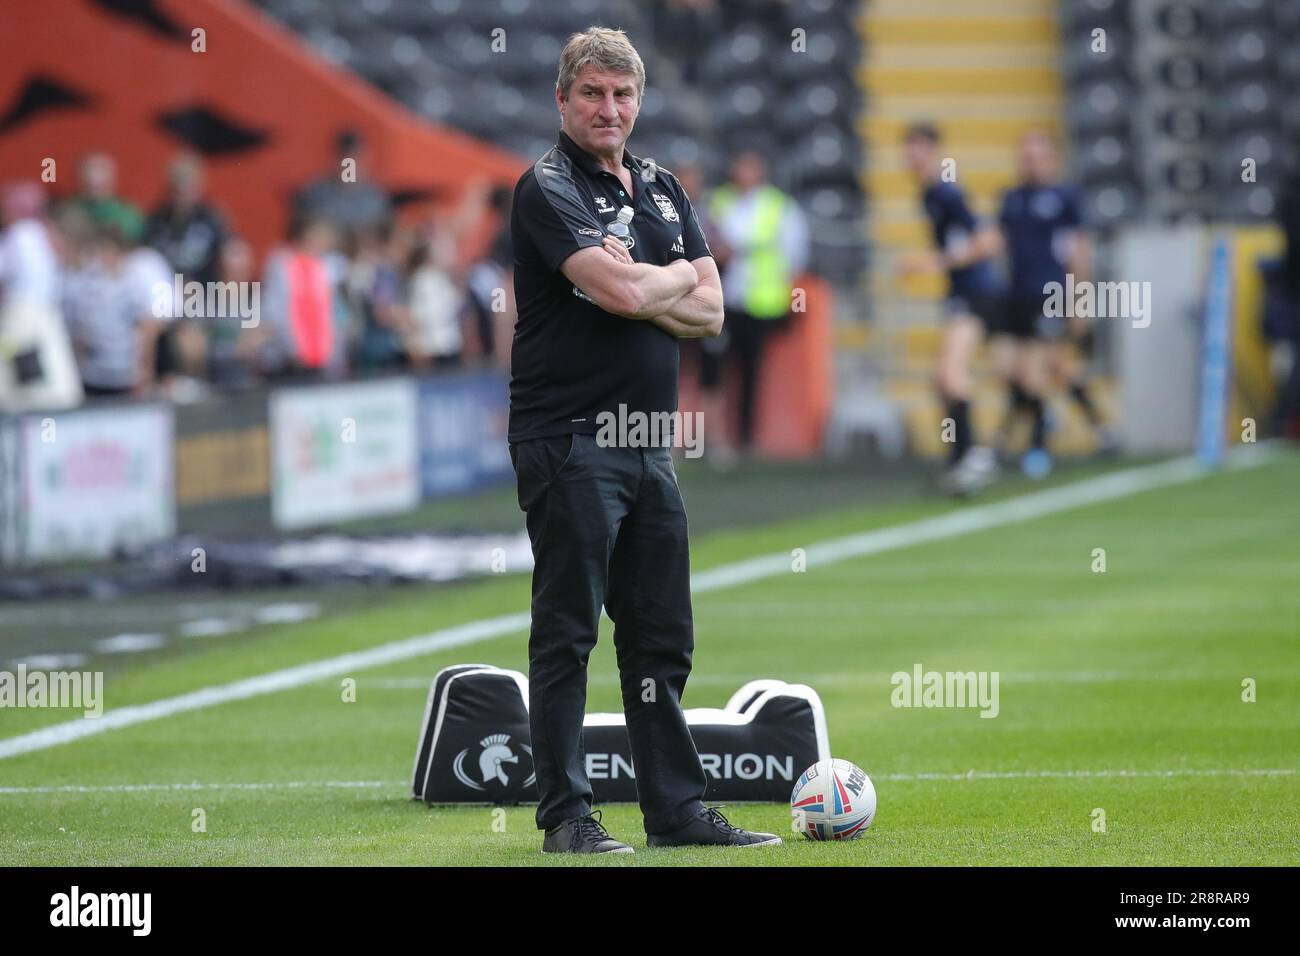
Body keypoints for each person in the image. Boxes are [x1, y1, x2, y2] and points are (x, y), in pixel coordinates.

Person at [508, 26, 779, 853]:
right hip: (569, 439)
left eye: (622, 95)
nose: (608, 108)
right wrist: (661, 282)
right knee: (569, 632)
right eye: (591, 93)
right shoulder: (546, 186)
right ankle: (567, 818)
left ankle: (675, 811)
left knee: (661, 636)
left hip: (648, 442)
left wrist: (642, 283)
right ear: (563, 100)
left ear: (640, 101)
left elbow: (713, 310)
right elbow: (633, 292)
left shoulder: (662, 186)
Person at [998, 129, 1112, 476]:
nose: (1030, 163)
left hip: (1051, 295)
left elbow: (1078, 252)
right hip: (1018, 298)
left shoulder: (1064, 198)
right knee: (1046, 369)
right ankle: (1099, 426)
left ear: (1052, 159)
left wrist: (1079, 301)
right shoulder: (1011, 199)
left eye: (1037, 156)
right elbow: (1005, 249)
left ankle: (1036, 447)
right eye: (1025, 156)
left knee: (1034, 370)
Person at [899, 122, 1002, 495]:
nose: (910, 156)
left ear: (932, 151)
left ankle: (974, 456)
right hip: (963, 295)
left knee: (951, 373)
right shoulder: (928, 194)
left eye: (917, 148)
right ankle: (962, 457)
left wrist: (933, 264)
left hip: (976, 294)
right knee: (941, 381)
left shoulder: (946, 193)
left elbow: (988, 240)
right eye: (908, 149)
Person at [709, 151, 809, 457]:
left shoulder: (778, 206)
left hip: (760, 302)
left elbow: (795, 255)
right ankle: (715, 438)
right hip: (725, 299)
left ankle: (746, 437)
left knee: (750, 371)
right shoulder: (721, 201)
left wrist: (792, 301)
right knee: (715, 367)